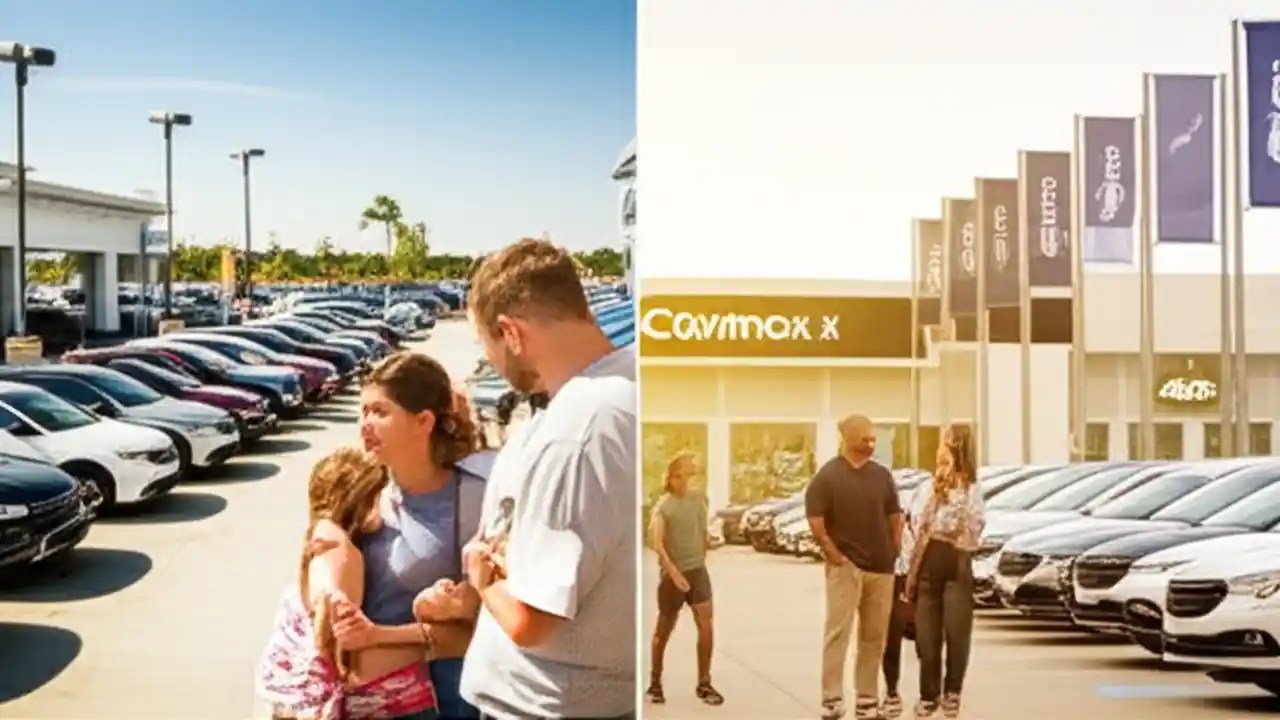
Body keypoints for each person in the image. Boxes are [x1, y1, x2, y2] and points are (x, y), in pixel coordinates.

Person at [458, 238, 637, 719]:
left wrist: (482, 578)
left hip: (544, 706)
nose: (490, 361)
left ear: (510, 333)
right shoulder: (628, 385)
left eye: (486, 345)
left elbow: (532, 621)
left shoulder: (576, 430)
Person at [328, 352, 489, 720]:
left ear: (424, 421)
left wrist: (381, 635)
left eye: (380, 412)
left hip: (439, 699)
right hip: (361, 696)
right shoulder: (359, 489)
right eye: (363, 411)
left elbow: (484, 620)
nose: (365, 424)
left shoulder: (475, 496)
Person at [256, 447, 438, 720]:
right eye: (379, 495)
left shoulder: (320, 539)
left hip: (305, 698)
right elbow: (333, 638)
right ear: (359, 500)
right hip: (375, 704)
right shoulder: (338, 546)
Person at [805, 414, 904, 720]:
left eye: (873, 439)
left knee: (874, 637)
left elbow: (895, 515)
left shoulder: (882, 476)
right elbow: (816, 521)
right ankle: (832, 698)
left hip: (881, 568)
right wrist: (833, 554)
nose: (871, 444)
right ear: (848, 438)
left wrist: (893, 549)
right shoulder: (828, 476)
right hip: (845, 568)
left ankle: (867, 699)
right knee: (838, 633)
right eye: (865, 439)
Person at [903, 425, 985, 719]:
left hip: (957, 565)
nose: (940, 451)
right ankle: (929, 694)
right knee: (926, 637)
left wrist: (950, 502)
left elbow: (972, 527)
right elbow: (914, 521)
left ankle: (952, 693)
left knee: (957, 633)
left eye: (947, 445)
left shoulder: (971, 488)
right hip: (928, 565)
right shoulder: (927, 486)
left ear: (958, 450)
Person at [646, 452, 723, 707]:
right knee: (663, 630)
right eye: (686, 471)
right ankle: (655, 684)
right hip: (672, 576)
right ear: (673, 476)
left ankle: (704, 683)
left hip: (697, 571)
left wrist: (709, 543)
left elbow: (702, 533)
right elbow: (657, 544)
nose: (690, 475)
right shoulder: (663, 506)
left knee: (706, 624)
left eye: (692, 472)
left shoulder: (699, 499)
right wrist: (675, 574)